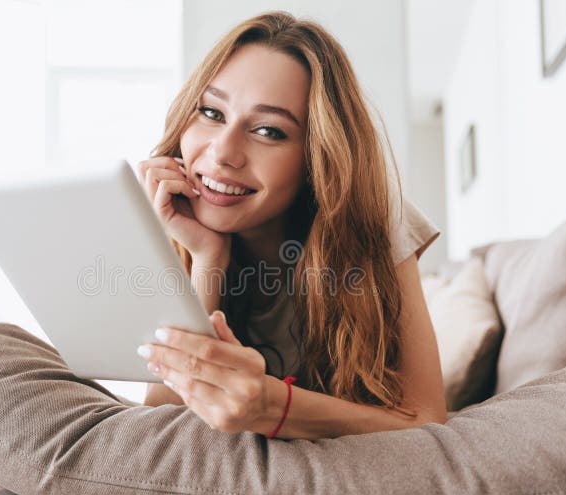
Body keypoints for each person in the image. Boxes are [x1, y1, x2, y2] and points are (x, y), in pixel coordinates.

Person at [135, 11, 446, 440]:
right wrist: (208, 258)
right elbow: (160, 430)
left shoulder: (375, 217)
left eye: (268, 131)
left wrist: (268, 405)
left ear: (316, 159)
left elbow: (426, 419)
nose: (223, 153)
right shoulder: (169, 220)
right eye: (211, 112)